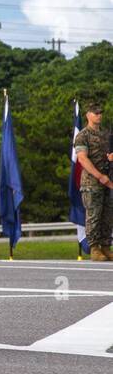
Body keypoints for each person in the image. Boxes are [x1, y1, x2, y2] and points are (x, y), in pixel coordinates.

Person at [74, 100, 113, 261]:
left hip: (109, 181)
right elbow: (82, 159)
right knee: (94, 215)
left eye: (100, 113)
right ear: (88, 115)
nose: (99, 115)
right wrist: (100, 176)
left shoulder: (106, 134)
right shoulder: (83, 135)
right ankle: (94, 248)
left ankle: (105, 246)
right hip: (92, 183)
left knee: (108, 215)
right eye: (96, 113)